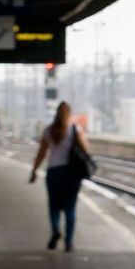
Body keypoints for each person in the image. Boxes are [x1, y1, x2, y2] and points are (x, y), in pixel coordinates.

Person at [29, 102, 91, 251]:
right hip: (72, 173)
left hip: (54, 172)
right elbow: (85, 150)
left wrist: (34, 170)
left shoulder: (49, 131)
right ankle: (69, 243)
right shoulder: (75, 129)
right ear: (69, 114)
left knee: (54, 206)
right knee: (70, 208)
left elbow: (41, 154)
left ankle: (56, 230)